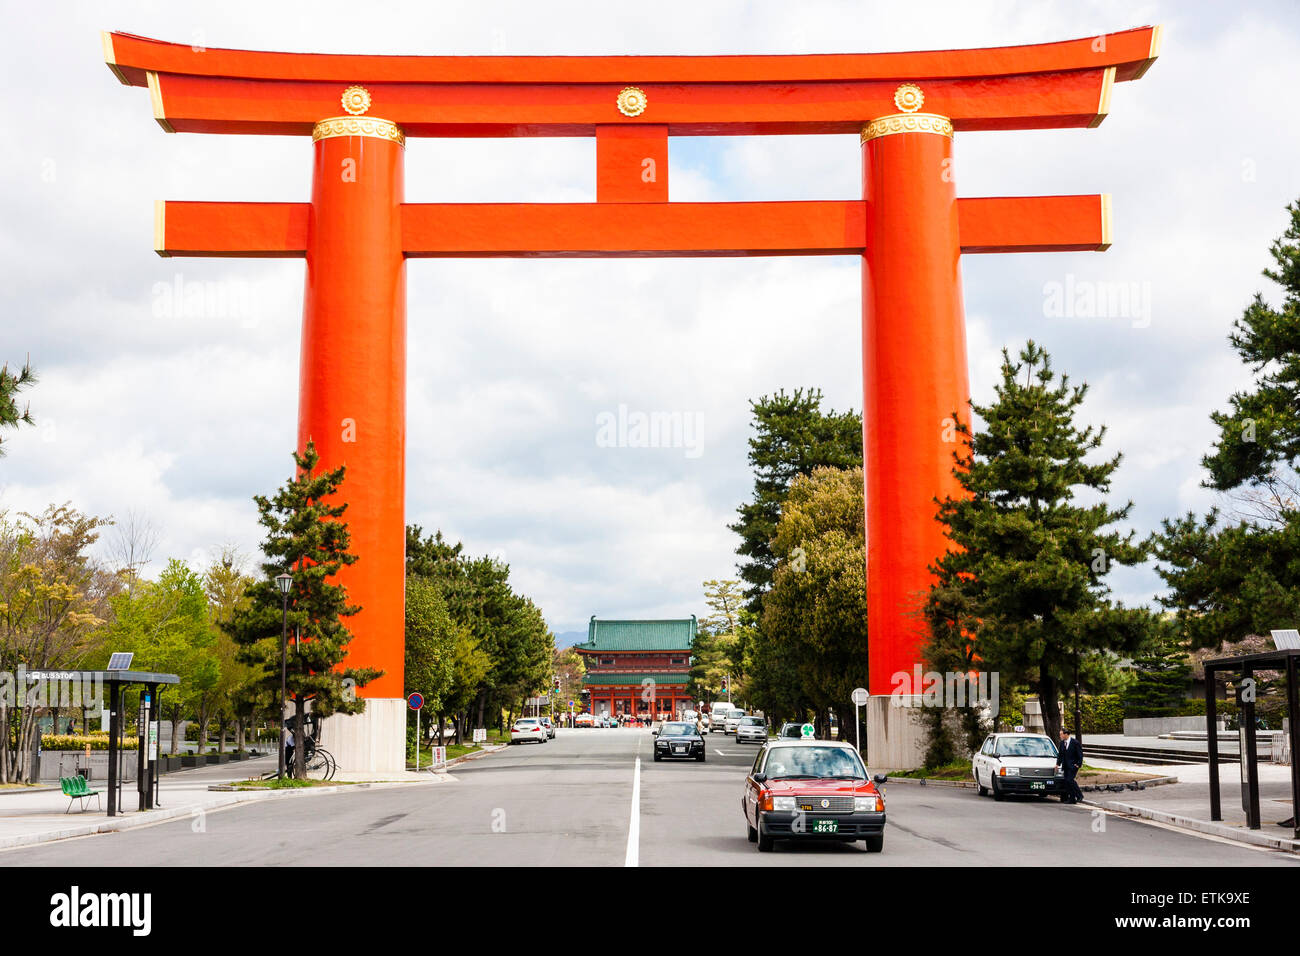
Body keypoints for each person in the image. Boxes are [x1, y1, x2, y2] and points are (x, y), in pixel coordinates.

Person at [1056, 726, 1084, 804]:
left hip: (1073, 765)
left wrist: (1078, 764)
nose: (1060, 736)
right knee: (1067, 781)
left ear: (1066, 734)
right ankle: (1072, 799)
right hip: (1065, 765)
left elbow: (1080, 754)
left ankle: (1079, 795)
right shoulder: (1062, 743)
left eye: (1061, 734)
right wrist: (1057, 764)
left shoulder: (1075, 742)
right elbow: (1060, 755)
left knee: (1070, 780)